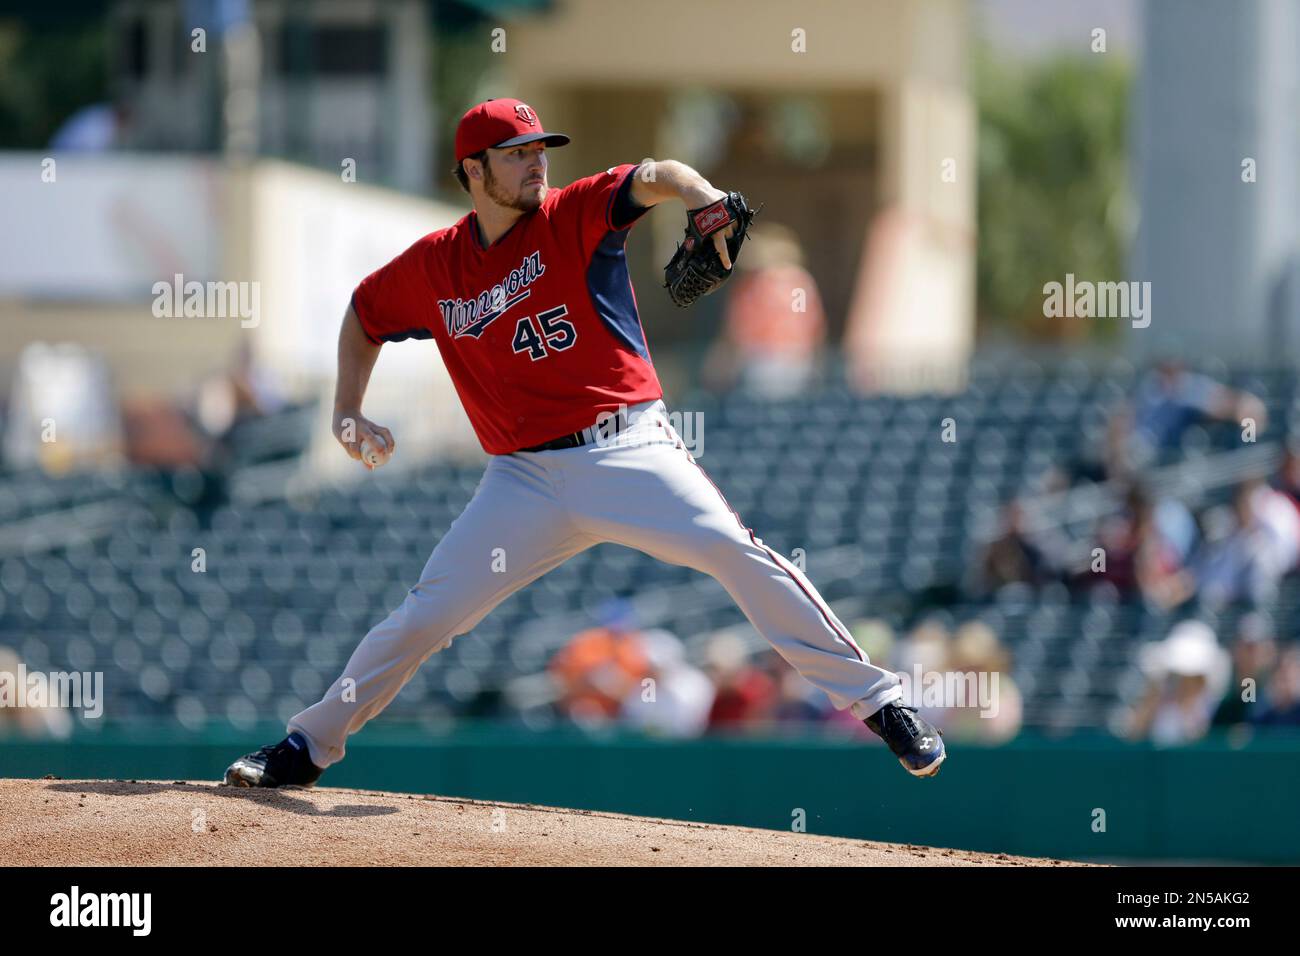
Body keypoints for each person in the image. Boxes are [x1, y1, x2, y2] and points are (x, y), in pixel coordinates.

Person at [223, 98, 944, 788]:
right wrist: (347, 410)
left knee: (734, 552)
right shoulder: (434, 266)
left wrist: (702, 193)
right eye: (515, 154)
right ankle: (306, 745)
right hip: (523, 481)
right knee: (426, 614)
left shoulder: (573, 214)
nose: (536, 163)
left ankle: (881, 704)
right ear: (473, 171)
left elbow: (654, 174)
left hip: (626, 449)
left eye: (540, 149)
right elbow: (363, 312)